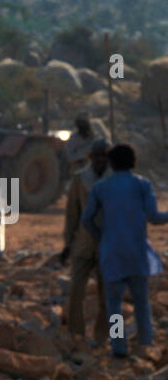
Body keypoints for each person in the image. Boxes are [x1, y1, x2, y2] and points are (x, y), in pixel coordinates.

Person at [80, 143, 168, 358]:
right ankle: (145, 341)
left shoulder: (101, 187)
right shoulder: (142, 185)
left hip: (112, 251)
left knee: (114, 304)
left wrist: (101, 237)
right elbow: (154, 217)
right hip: (137, 251)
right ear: (133, 162)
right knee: (141, 301)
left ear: (111, 163)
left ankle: (118, 345)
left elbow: (86, 219)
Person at [61, 138, 110, 345]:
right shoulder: (80, 179)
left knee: (110, 297)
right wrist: (67, 244)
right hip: (83, 243)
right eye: (96, 155)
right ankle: (76, 333)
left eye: (104, 156)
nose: (100, 160)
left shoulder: (116, 179)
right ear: (90, 157)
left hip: (109, 246)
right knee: (76, 291)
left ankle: (109, 337)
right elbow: (72, 214)